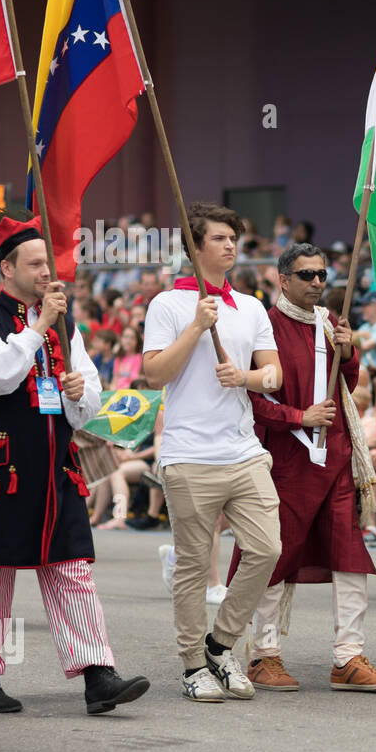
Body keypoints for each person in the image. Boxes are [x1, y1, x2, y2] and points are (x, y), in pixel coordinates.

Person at [0, 217, 149, 714]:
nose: (46, 272)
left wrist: (79, 394)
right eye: (35, 264)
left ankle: (98, 676)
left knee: (71, 566)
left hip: (54, 463)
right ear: (6, 269)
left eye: (47, 262)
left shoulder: (63, 323)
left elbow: (89, 391)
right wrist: (38, 328)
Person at [229, 242, 376, 692]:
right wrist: (297, 418)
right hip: (285, 460)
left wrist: (348, 355)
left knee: (349, 556)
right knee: (274, 555)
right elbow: (249, 397)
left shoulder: (331, 323)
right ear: (282, 279)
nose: (318, 283)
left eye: (322, 274)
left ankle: (348, 658)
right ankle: (263, 656)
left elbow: (344, 386)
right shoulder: (263, 326)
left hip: (338, 457)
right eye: (307, 275)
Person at [143, 201, 284, 702]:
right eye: (220, 238)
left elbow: (275, 376)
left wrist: (245, 378)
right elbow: (154, 374)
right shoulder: (168, 305)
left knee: (268, 549)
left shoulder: (251, 307)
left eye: (233, 237)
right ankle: (191, 665)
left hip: (244, 453)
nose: (230, 245)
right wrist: (197, 327)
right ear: (195, 246)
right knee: (192, 564)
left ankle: (220, 644)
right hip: (187, 456)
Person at [110, 326, 144, 390]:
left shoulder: (138, 358)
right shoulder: (118, 358)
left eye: (132, 338)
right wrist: (112, 389)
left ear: (137, 341)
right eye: (126, 337)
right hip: (116, 392)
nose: (128, 341)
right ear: (121, 339)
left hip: (130, 391)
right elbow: (115, 378)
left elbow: (135, 379)